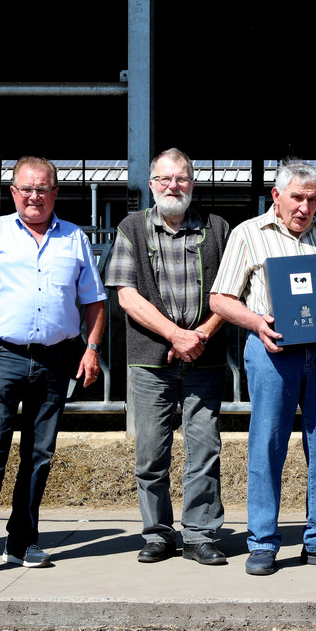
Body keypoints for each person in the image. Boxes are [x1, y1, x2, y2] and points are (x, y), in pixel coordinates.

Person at [0, 156, 106, 578]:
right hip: (1, 355)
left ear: (55, 193)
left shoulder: (75, 239)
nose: (34, 196)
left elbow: (94, 302)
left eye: (43, 189)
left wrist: (91, 349)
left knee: (39, 454)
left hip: (57, 358)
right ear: (13, 192)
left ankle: (23, 540)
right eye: (26, 188)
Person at [209, 159, 316, 576]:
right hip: (272, 351)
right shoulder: (247, 235)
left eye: (312, 199)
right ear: (276, 196)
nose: (305, 207)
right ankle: (262, 541)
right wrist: (257, 323)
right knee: (267, 443)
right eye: (297, 197)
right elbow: (220, 299)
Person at [106, 148, 230, 566]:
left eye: (181, 179)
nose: (173, 186)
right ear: (152, 183)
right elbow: (125, 294)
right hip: (149, 359)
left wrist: (201, 335)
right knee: (151, 453)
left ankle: (199, 534)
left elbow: (231, 293)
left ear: (192, 184)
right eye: (165, 179)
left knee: (205, 449)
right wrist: (176, 335)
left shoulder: (217, 228)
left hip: (205, 358)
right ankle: (158, 533)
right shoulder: (131, 228)